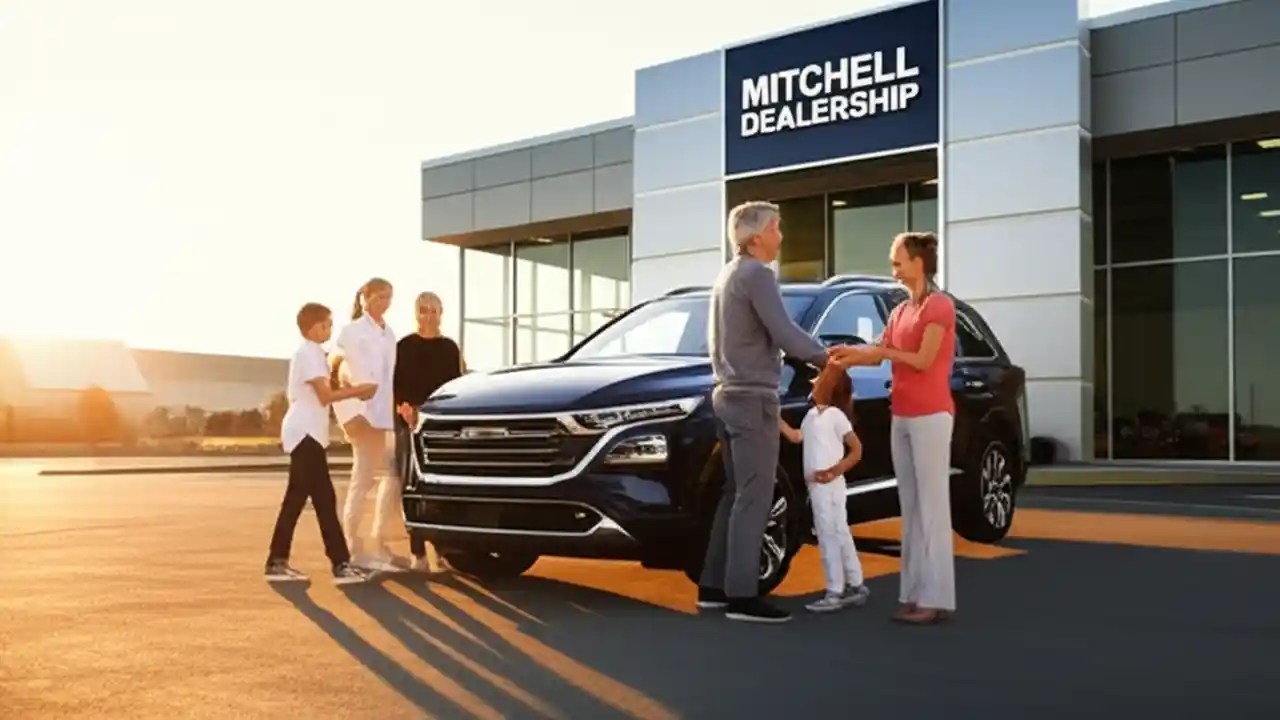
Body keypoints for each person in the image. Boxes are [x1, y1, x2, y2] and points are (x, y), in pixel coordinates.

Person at [698, 200, 831, 624]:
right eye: (776, 227)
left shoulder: (728, 274)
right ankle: (742, 597)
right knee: (754, 496)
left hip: (726, 394)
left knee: (735, 494)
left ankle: (714, 588)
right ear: (756, 237)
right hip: (752, 398)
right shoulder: (757, 274)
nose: (781, 235)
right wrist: (828, 359)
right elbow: (785, 333)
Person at [830, 231, 957, 626]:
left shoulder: (940, 307)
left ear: (919, 262)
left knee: (932, 508)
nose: (894, 268)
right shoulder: (900, 311)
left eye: (898, 261)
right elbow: (878, 352)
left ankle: (934, 599)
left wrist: (883, 352)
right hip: (901, 414)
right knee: (912, 507)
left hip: (932, 415)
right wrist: (842, 358)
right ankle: (914, 594)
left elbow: (921, 360)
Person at [265, 302, 376, 585]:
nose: (329, 328)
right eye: (327, 324)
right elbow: (325, 397)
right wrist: (359, 390)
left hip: (307, 435)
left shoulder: (311, 354)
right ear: (314, 327)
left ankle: (280, 561)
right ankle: (339, 564)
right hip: (305, 435)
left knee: (307, 499)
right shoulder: (310, 353)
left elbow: (324, 393)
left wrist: (353, 391)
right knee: (321, 500)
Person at [778, 365, 870, 613]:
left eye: (819, 378)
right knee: (837, 530)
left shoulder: (835, 416)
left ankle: (835, 590)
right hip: (817, 486)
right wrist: (775, 420)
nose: (813, 380)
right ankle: (854, 582)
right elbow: (797, 437)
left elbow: (856, 450)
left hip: (828, 485)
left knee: (830, 532)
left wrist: (834, 471)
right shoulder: (812, 416)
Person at [393, 291, 465, 572]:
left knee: (442, 488)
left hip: (440, 424)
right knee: (412, 485)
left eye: (434, 310)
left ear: (441, 313)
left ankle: (443, 550)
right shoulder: (404, 346)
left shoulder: (449, 348)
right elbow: (396, 384)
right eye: (424, 310)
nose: (429, 315)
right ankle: (417, 552)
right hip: (409, 422)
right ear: (416, 314)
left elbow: (454, 385)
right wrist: (404, 408)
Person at [335, 277, 403, 572]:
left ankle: (379, 541)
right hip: (362, 418)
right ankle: (353, 546)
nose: (383, 302)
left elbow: (391, 378)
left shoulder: (389, 334)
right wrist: (351, 415)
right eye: (377, 297)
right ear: (364, 298)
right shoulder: (350, 333)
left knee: (394, 476)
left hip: (384, 418)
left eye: (388, 297)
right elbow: (338, 375)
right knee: (362, 480)